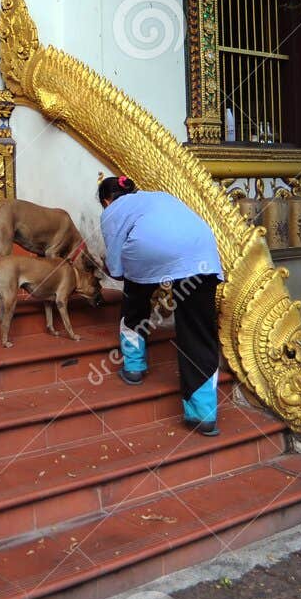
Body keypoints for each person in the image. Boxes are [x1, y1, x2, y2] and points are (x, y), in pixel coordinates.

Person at [97, 175, 224, 436]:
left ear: (106, 200)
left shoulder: (112, 211)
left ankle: (134, 367)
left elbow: (115, 267)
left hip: (150, 252)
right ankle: (204, 415)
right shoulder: (160, 196)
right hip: (202, 253)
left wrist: (122, 273)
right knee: (198, 329)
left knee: (135, 303)